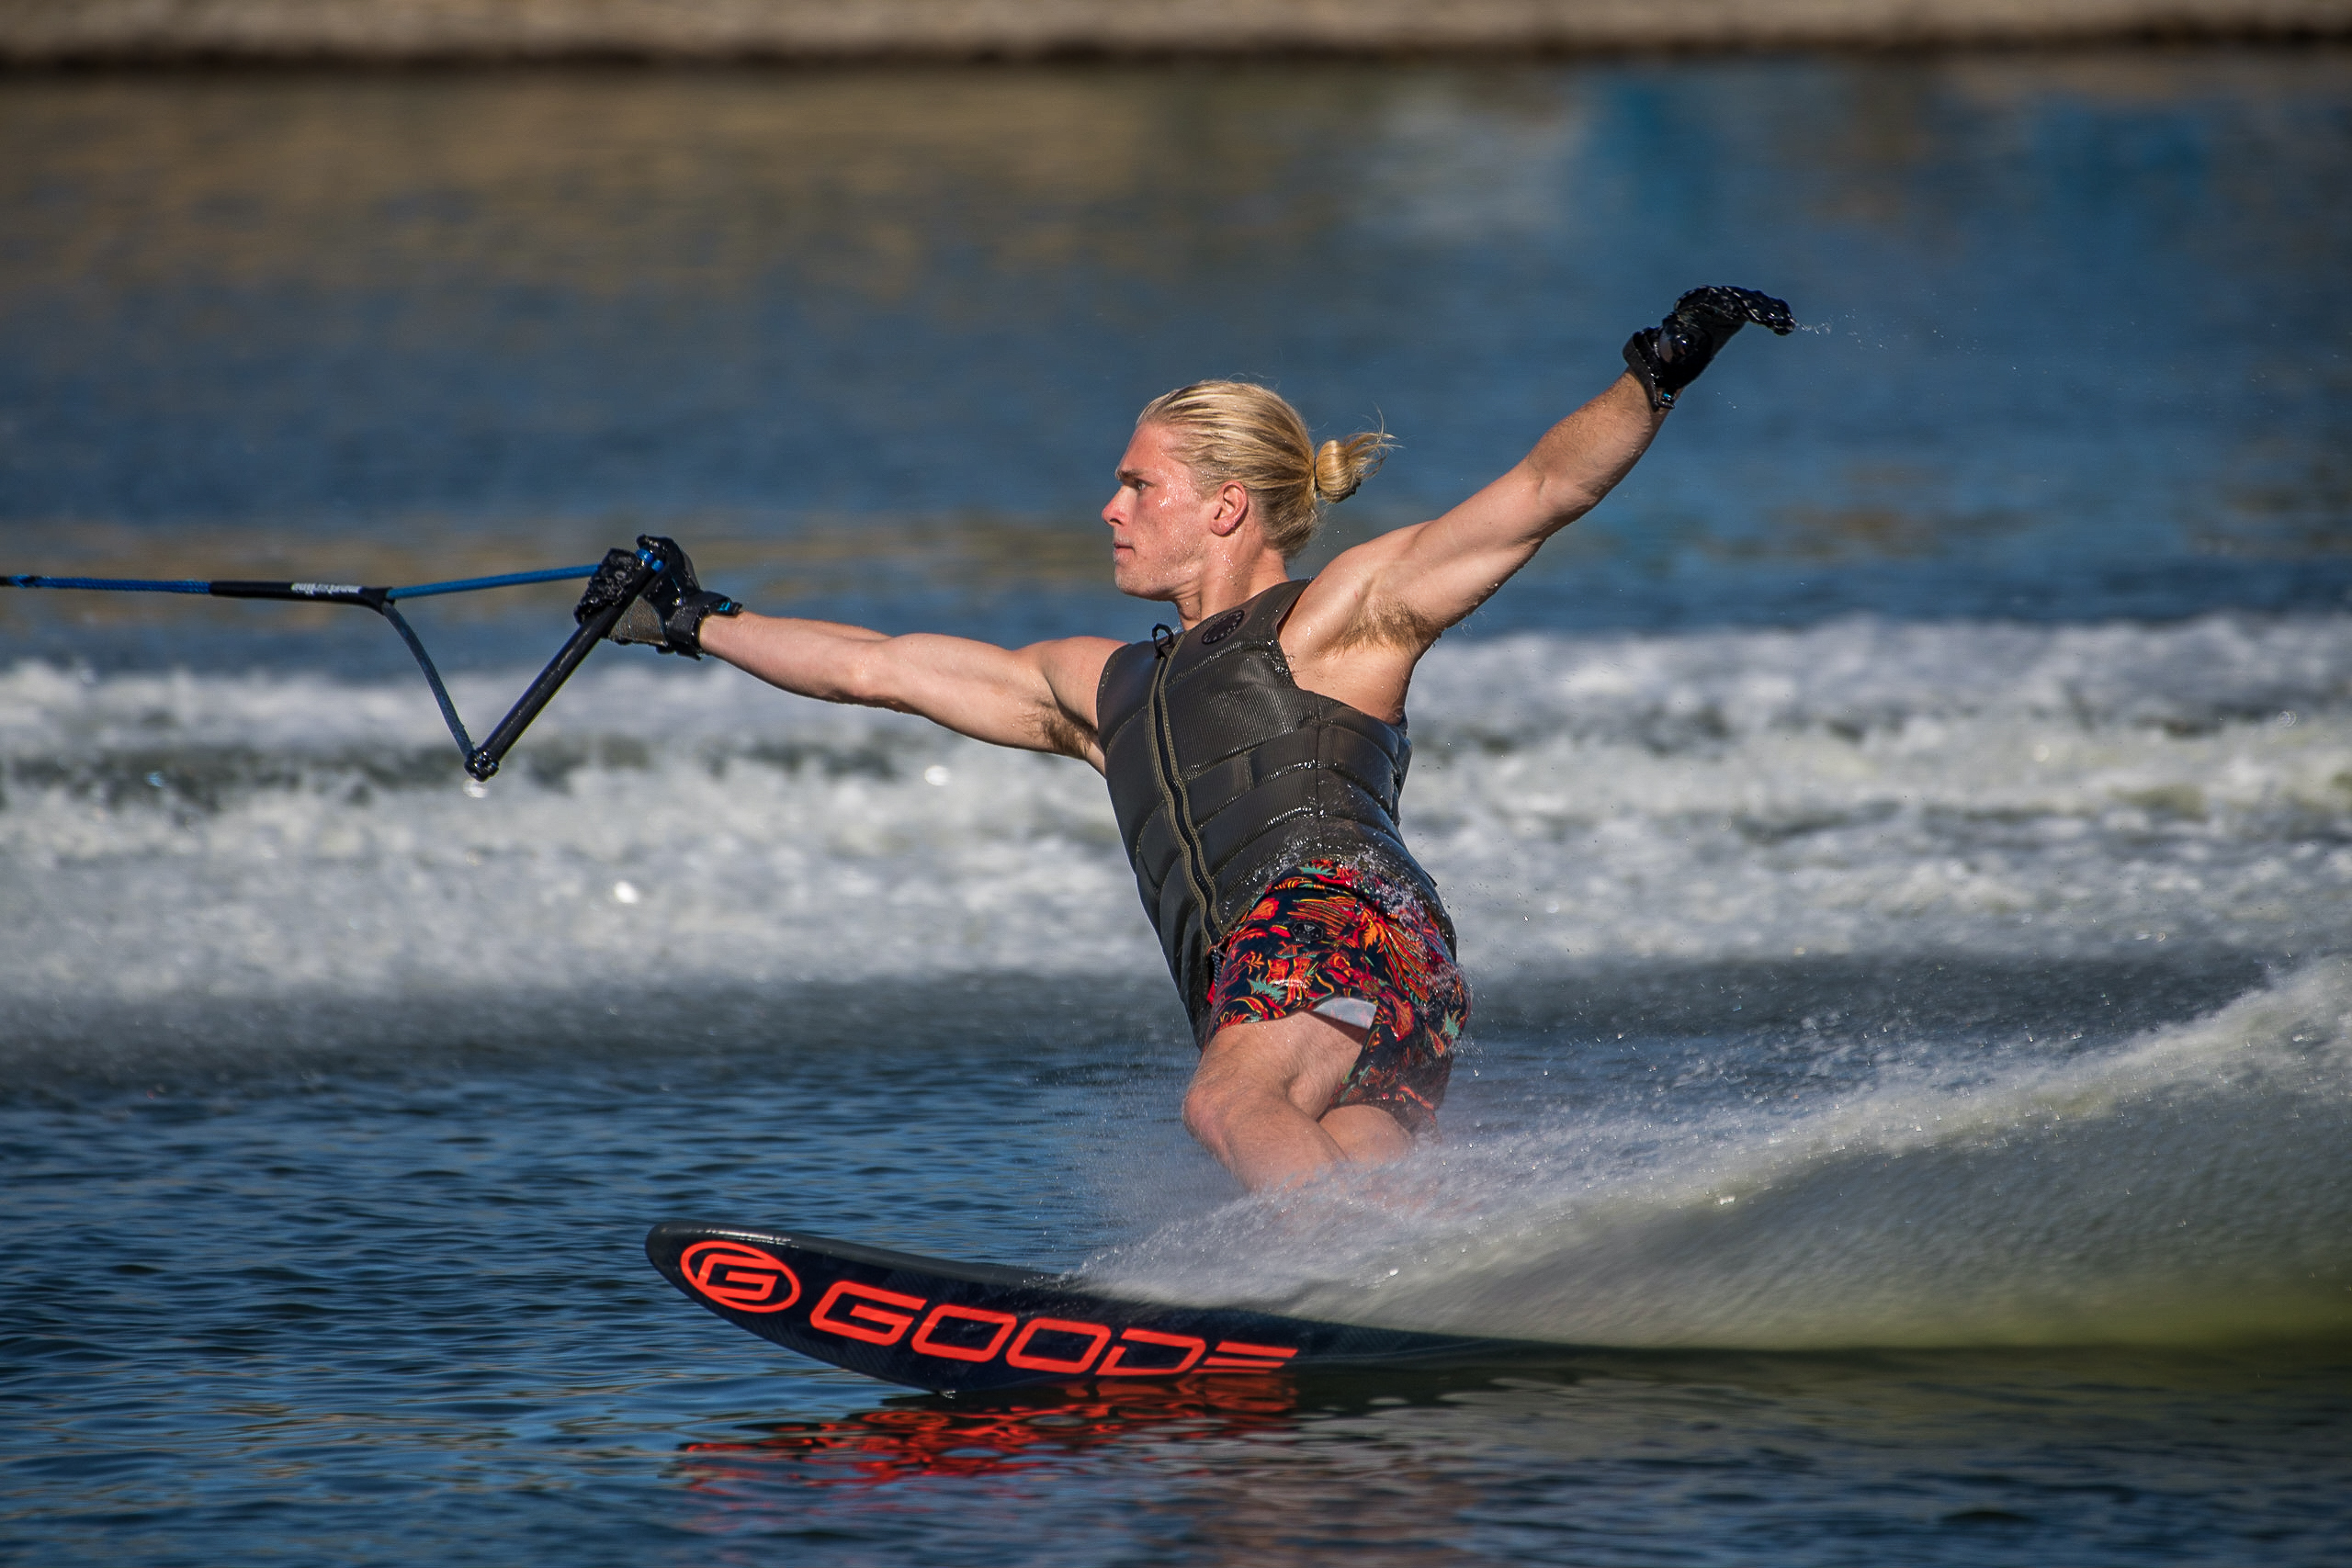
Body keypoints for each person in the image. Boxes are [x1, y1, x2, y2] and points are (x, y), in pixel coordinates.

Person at [576, 286, 1793, 1192]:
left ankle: (1361, 1293)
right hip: (1364, 976)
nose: (1107, 509)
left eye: (1136, 486)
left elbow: (1539, 493)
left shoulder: (1337, 620)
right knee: (1354, 1175)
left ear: (1225, 506)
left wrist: (1656, 375)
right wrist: (693, 619)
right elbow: (872, 667)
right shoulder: (1099, 691)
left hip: (1337, 922)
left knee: (1226, 1108)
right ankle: (1442, 1307)